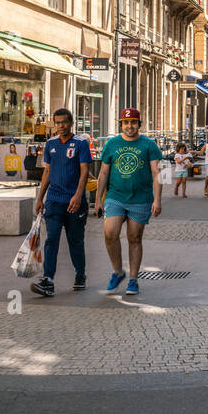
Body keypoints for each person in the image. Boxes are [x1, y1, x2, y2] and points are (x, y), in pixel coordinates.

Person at [94, 108, 163, 297]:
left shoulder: (149, 145)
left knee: (134, 238)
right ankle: (118, 271)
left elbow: (157, 173)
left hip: (140, 198)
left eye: (133, 122)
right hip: (115, 196)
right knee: (110, 233)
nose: (129, 126)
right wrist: (98, 200)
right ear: (121, 125)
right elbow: (103, 173)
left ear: (139, 124)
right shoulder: (112, 144)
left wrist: (157, 200)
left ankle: (133, 279)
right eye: (126, 122)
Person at [30, 109, 92, 298]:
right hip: (54, 201)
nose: (61, 126)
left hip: (75, 202)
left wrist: (78, 196)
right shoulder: (50, 144)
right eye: (57, 123)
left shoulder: (81, 143)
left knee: (75, 241)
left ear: (71, 123)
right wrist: (40, 198)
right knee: (51, 240)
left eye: (64, 122)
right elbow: (47, 172)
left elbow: (84, 172)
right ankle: (48, 280)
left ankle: (80, 275)